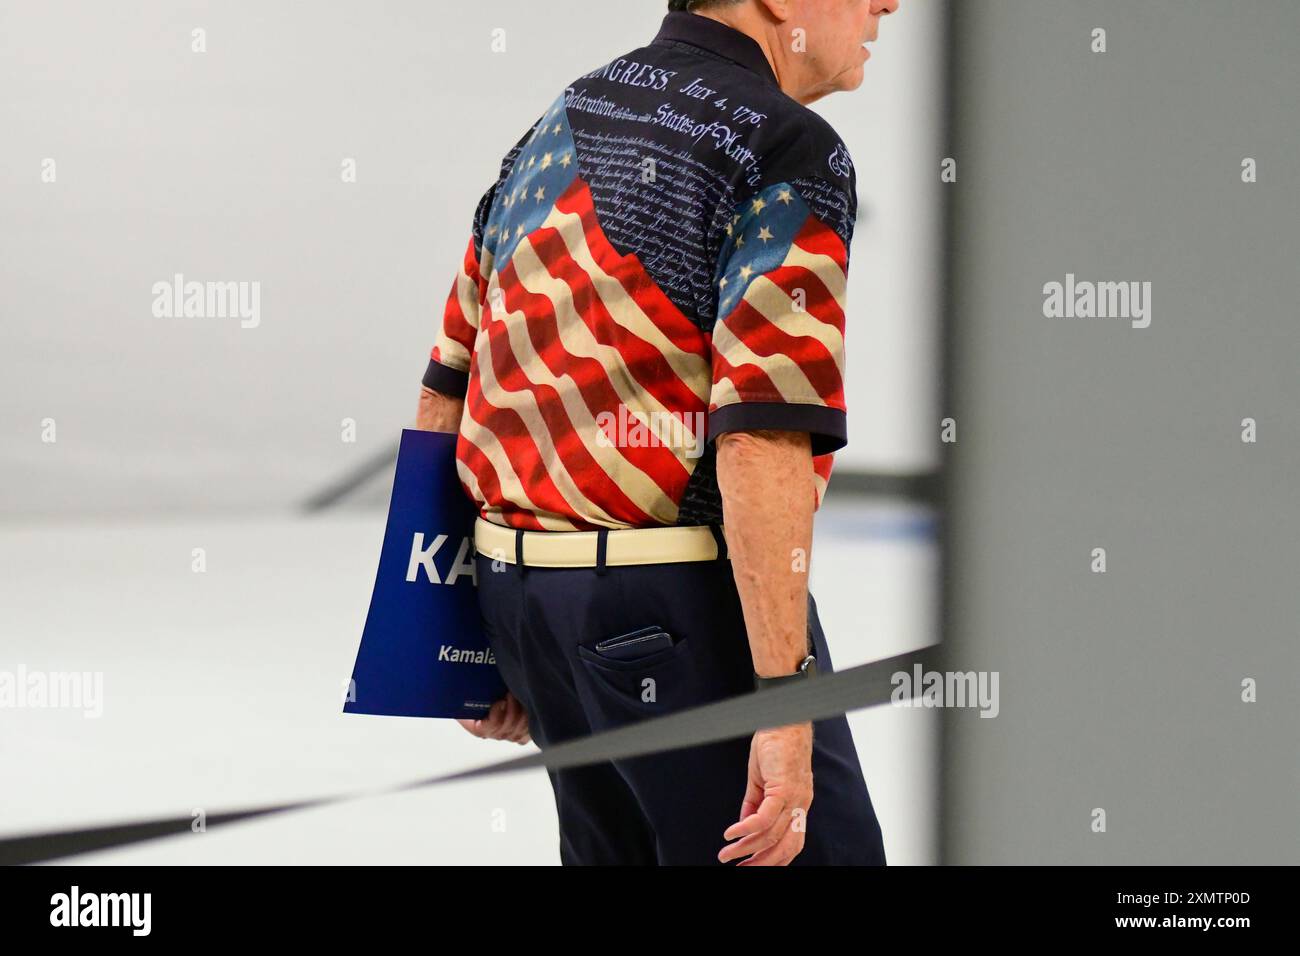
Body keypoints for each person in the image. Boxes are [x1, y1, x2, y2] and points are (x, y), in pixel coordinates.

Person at [416, 0, 900, 865]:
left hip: (528, 610)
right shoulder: (789, 149)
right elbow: (761, 437)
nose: (888, 4)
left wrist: (449, 642)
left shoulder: (559, 119)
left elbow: (448, 387)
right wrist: (783, 706)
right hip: (679, 616)